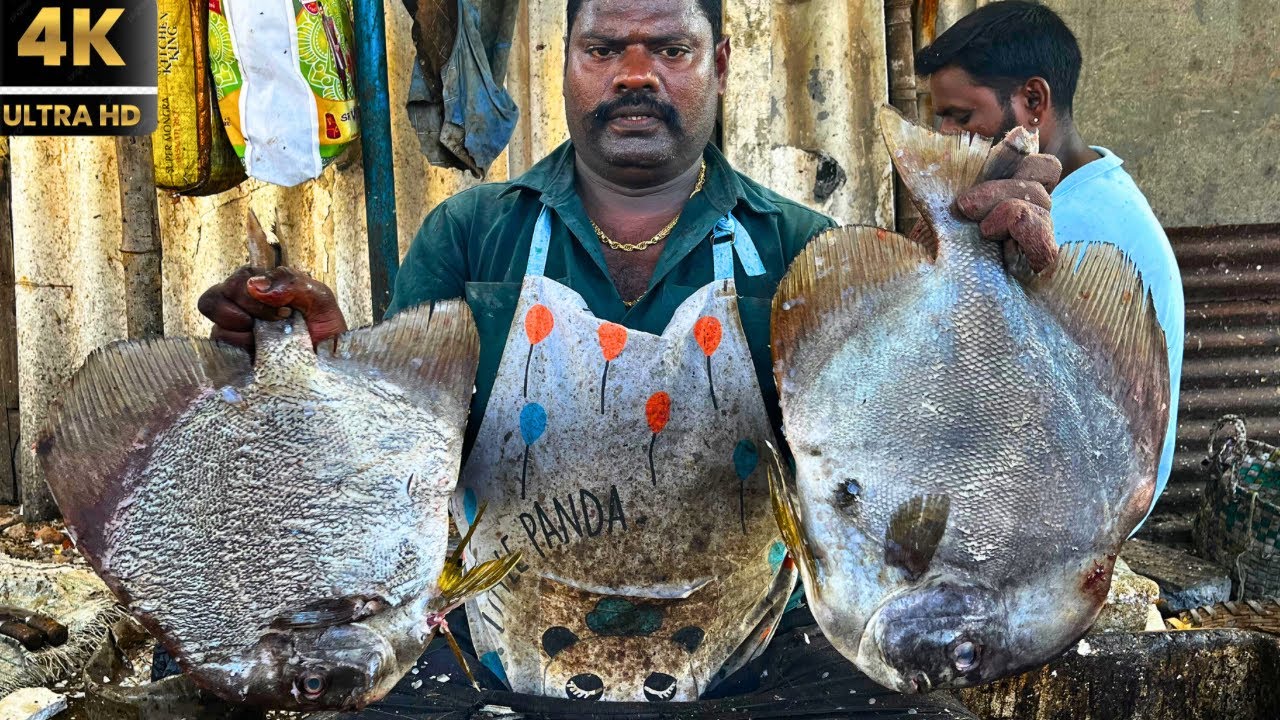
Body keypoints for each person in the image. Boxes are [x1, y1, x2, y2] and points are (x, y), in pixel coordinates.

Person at [197, 0, 1058, 707]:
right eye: (604, 47)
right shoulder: (471, 235)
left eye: (671, 49)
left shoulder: (805, 250)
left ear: (721, 61)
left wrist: (997, 299)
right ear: (566, 62)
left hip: (748, 661)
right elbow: (393, 464)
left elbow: (903, 462)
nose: (636, 75)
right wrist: (328, 367)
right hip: (497, 655)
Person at [914, 0, 1185, 527]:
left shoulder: (1079, 225)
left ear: (1033, 101)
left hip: (1078, 516)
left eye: (962, 117)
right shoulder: (1089, 182)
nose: (946, 137)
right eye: (940, 118)